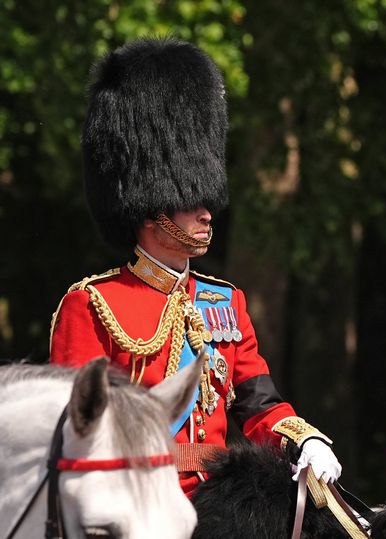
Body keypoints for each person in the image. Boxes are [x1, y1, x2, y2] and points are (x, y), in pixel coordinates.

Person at [49, 38, 341, 496]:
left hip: (222, 499)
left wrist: (304, 440)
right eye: (190, 201)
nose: (207, 214)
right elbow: (75, 430)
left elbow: (258, 403)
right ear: (151, 209)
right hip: (140, 499)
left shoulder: (225, 301)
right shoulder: (92, 304)